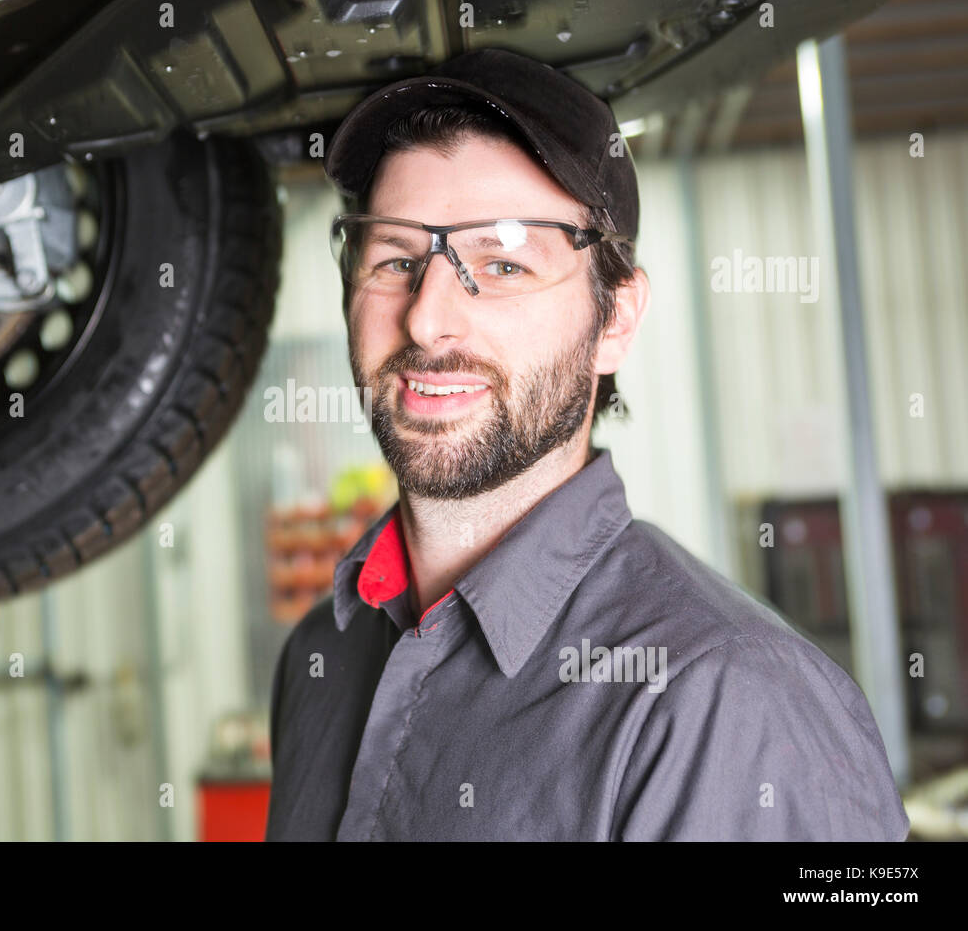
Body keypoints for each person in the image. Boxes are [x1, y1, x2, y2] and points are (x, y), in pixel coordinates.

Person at [264, 48, 909, 841]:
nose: (427, 320)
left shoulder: (729, 707)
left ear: (615, 320)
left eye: (500, 263)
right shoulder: (320, 658)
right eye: (396, 259)